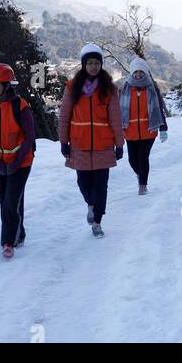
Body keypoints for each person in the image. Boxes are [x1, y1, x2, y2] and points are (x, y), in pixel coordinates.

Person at [58, 43, 127, 239]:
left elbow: (115, 117)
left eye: (97, 62)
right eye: (90, 63)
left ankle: (97, 221)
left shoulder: (109, 88)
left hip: (103, 144)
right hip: (79, 143)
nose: (94, 66)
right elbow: (64, 116)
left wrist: (120, 144)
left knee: (101, 185)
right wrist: (64, 141)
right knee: (83, 182)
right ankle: (90, 204)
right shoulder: (73, 87)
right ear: (83, 64)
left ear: (101, 65)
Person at [0, 63, 36, 259]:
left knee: (11, 202)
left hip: (20, 164)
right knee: (6, 201)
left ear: (6, 84)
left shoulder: (20, 106)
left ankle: (8, 242)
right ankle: (19, 234)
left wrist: (15, 163)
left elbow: (29, 138)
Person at [120, 57, 169, 196]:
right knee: (132, 159)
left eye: (141, 71)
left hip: (149, 130)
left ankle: (143, 185)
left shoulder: (152, 88)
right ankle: (140, 174)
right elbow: (119, 109)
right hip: (130, 131)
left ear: (146, 72)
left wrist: (163, 128)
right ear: (132, 72)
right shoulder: (125, 88)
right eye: (136, 72)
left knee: (143, 157)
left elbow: (159, 108)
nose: (139, 74)